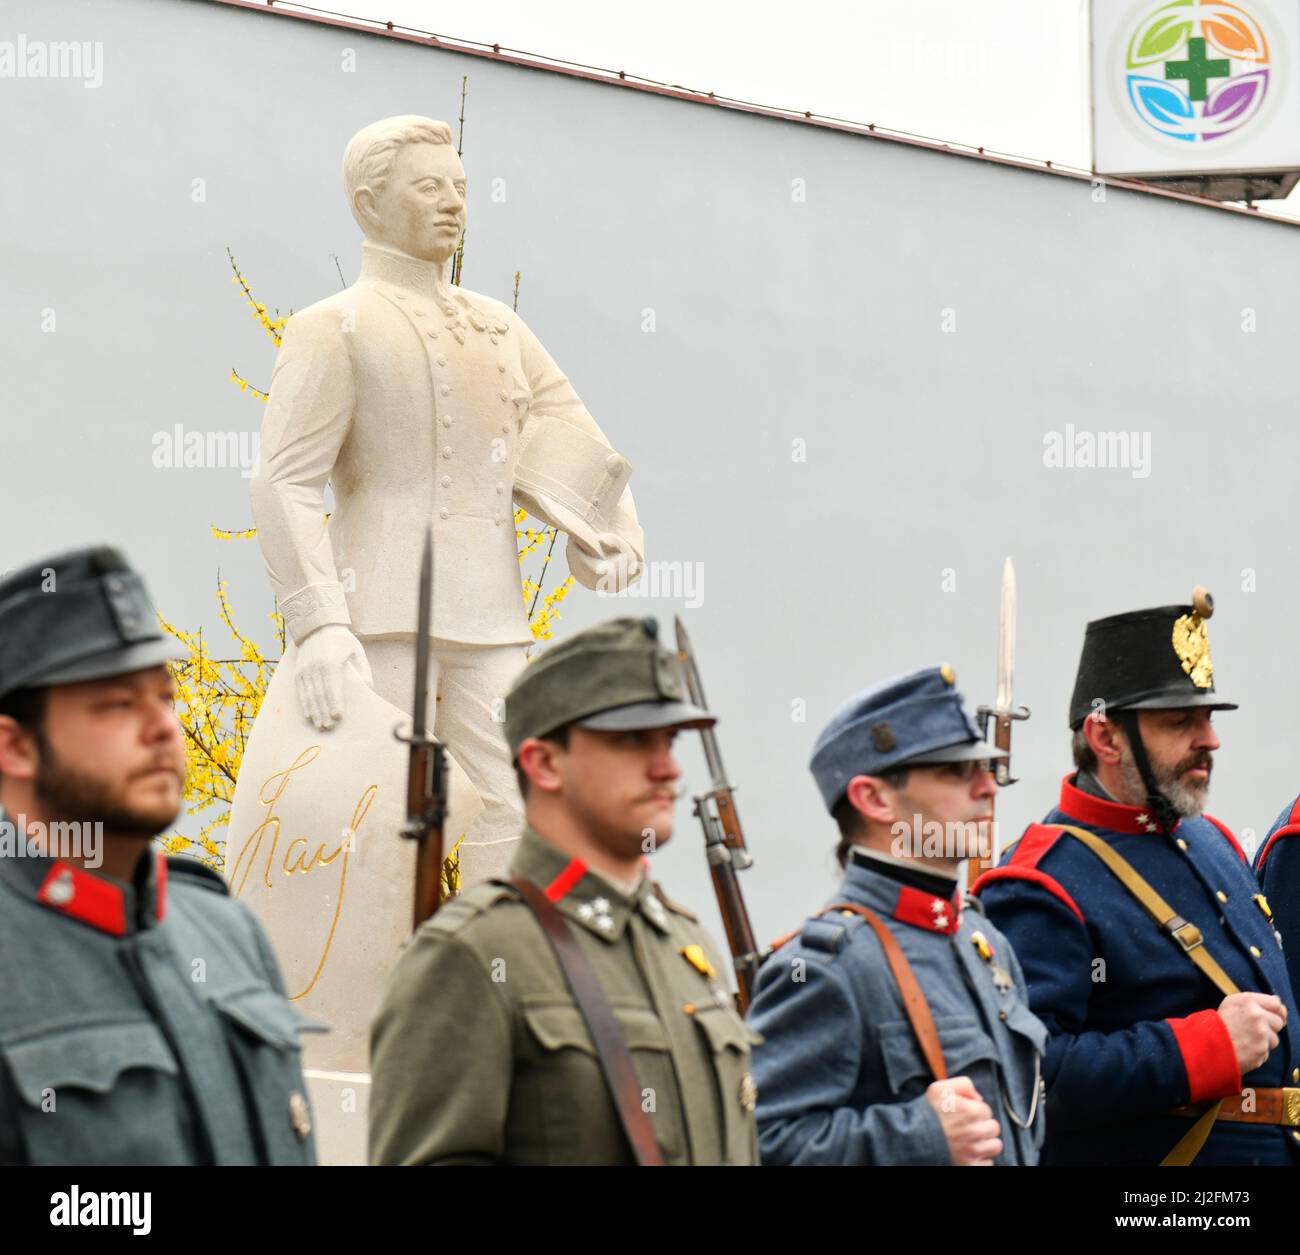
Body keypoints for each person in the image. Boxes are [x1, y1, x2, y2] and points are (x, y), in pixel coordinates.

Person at [249, 113, 644, 881]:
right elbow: (284, 478)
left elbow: (575, 439)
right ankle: (384, 996)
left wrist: (612, 534)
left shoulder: (501, 327)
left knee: (525, 814)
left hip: (493, 618)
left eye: (460, 188)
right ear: (369, 204)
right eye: (429, 187)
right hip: (378, 619)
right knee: (379, 819)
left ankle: (512, 980)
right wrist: (320, 623)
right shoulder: (334, 326)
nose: (454, 203)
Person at [368, 616, 759, 1165]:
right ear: (545, 763)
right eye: (631, 740)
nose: (668, 768)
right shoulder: (470, 955)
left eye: (669, 740)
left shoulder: (689, 947)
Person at [0, 546, 319, 1165]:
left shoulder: (227, 932)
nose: (163, 729)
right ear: (13, 747)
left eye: (166, 698)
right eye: (118, 704)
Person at [975, 590, 1299, 1165]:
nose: (1210, 739)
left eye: (1207, 717)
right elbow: (1028, 1078)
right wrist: (1203, 1049)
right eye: (1181, 721)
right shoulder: (1041, 881)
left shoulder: (1211, 839)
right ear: (1105, 737)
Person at [747, 665, 1047, 1165]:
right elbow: (761, 1144)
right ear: (874, 798)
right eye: (956, 771)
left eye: (985, 768)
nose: (989, 787)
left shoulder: (983, 940)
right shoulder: (826, 967)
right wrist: (920, 1134)